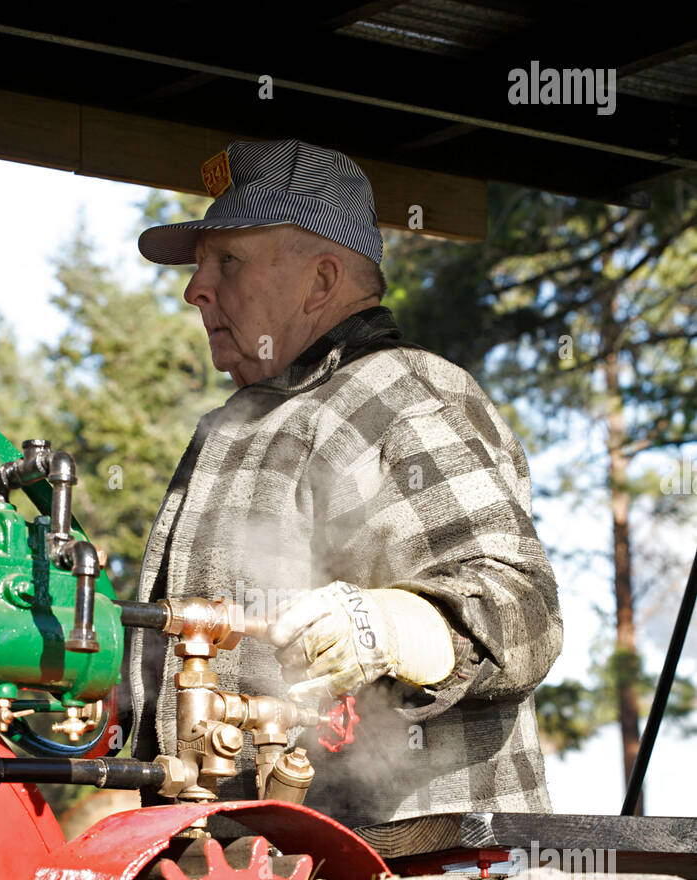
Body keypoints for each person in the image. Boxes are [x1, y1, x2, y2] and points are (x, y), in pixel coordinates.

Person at [129, 138, 563, 825]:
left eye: (227, 261)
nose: (195, 289)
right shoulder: (237, 425)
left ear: (322, 281)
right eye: (200, 266)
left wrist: (394, 625)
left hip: (423, 874)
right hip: (252, 874)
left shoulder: (400, 392)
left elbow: (523, 609)